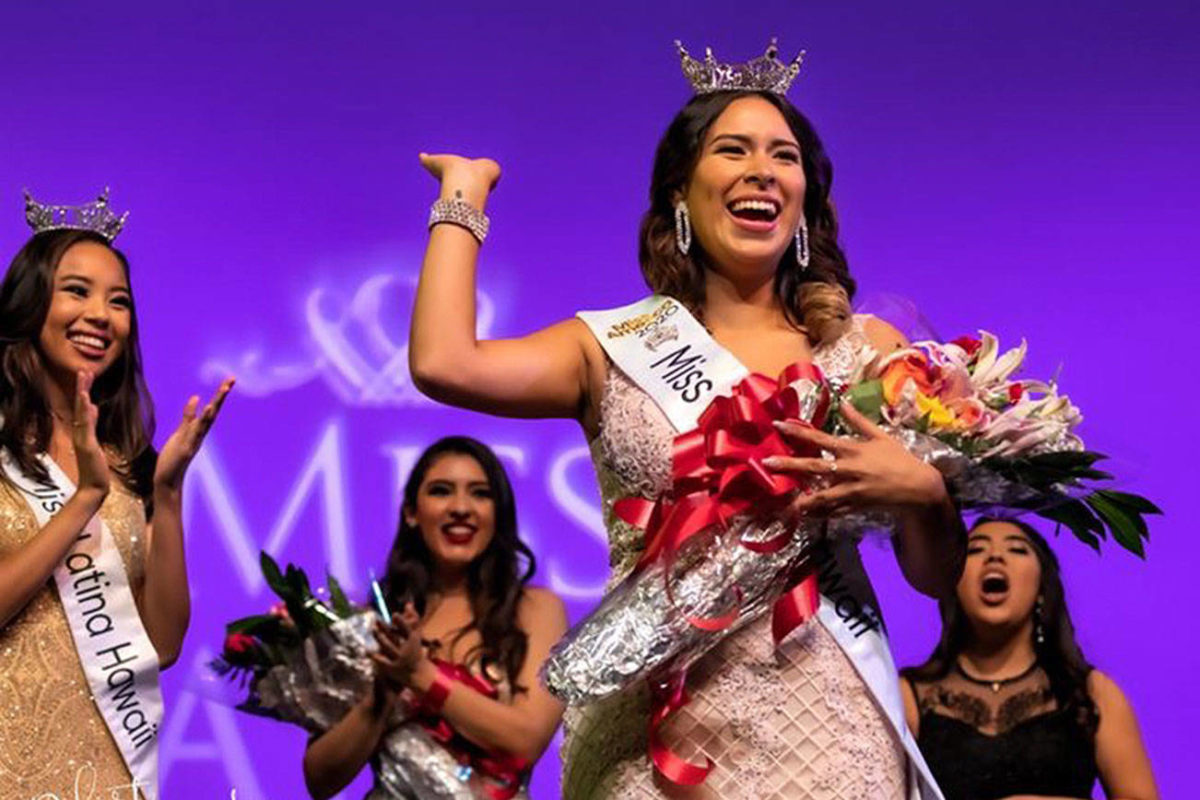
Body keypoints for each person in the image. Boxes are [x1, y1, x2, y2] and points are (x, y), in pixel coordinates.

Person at [408, 42, 962, 799]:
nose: (761, 170)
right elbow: (442, 361)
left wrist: (924, 492)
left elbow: (935, 577)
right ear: (681, 191)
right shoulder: (611, 348)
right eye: (731, 150)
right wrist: (463, 198)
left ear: (804, 197)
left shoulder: (866, 352)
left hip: (826, 730)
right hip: (655, 728)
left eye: (784, 156)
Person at [0, 190, 233, 797]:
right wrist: (81, 502)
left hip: (107, 775)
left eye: (119, 301)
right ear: (29, 304)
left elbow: (162, 645)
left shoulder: (130, 467)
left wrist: (170, 491)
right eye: (77, 291)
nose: (101, 315)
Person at [303, 436, 568, 800]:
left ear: (498, 514)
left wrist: (420, 675)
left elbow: (526, 740)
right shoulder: (376, 624)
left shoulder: (536, 610)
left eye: (480, 493)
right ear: (411, 512)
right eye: (441, 491)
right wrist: (382, 694)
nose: (461, 507)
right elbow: (319, 779)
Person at [900, 518, 1158, 800]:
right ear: (952, 586)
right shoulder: (909, 696)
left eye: (1017, 549)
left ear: (1042, 588)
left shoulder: (1091, 693)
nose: (995, 556)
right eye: (975, 550)